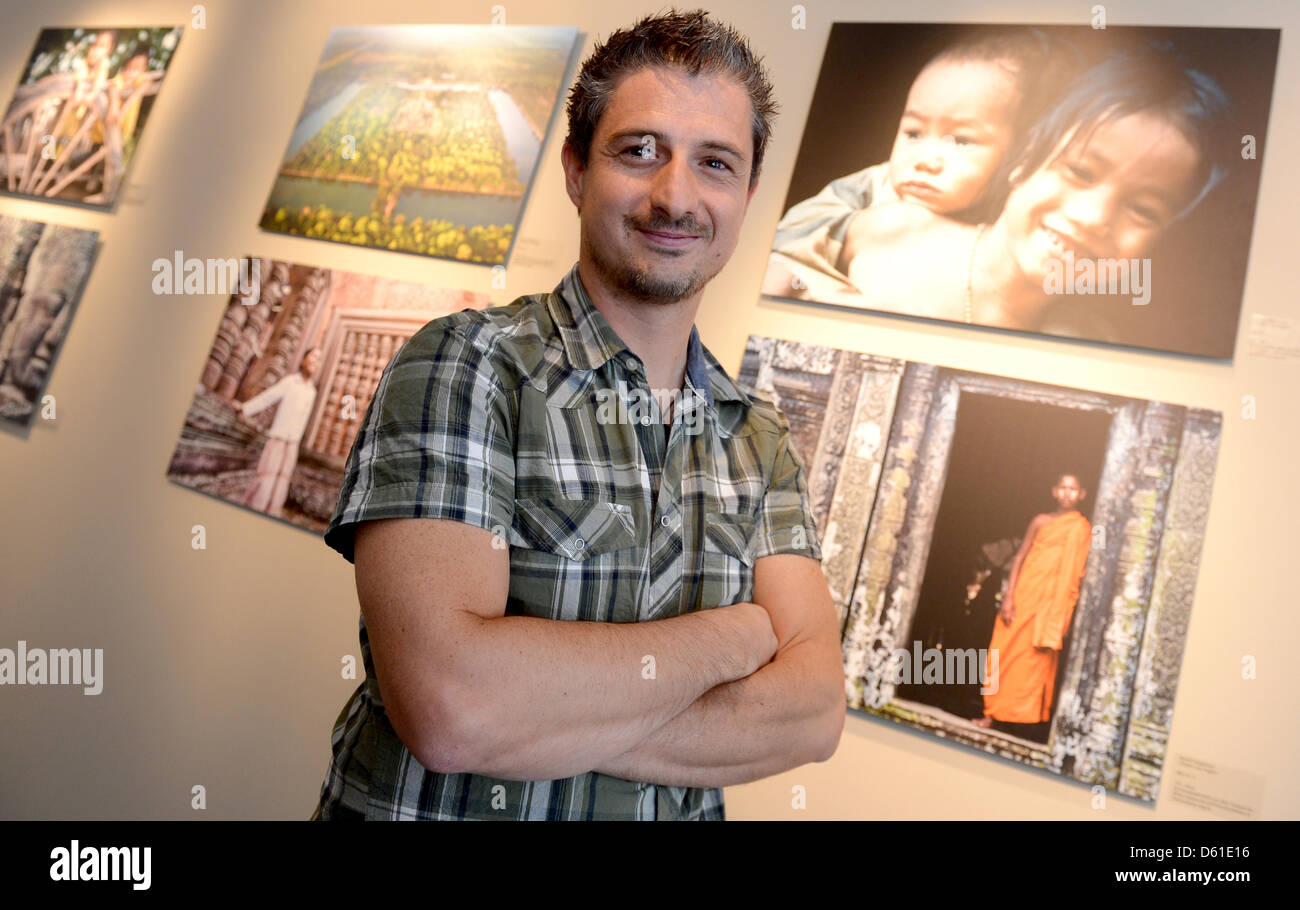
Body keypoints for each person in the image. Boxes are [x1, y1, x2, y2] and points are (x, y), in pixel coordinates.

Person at [311, 10, 845, 821]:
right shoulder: (467, 366)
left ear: (746, 195)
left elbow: (813, 714)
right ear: (573, 169)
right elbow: (455, 709)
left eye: (715, 163)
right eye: (639, 151)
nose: (676, 196)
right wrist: (737, 639)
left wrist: (539, 715)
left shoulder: (758, 438)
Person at [836, 43, 1235, 333]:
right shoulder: (891, 231)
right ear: (1025, 159)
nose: (1092, 217)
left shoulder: (1089, 344)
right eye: (1080, 172)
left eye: (1143, 210)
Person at [763, 28, 1078, 302]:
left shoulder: (1010, 221)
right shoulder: (876, 184)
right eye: (913, 133)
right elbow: (796, 229)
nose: (925, 161)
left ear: (1021, 157)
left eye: (961, 141)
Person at [975, 475, 1091, 735]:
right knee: (1002, 653)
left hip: (1050, 607)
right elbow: (1019, 558)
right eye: (1062, 488)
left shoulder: (1082, 528)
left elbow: (1079, 571)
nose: (1067, 493)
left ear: (1082, 494)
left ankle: (1023, 722)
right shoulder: (1041, 521)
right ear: (1054, 491)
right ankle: (991, 713)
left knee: (1035, 661)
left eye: (1073, 489)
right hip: (1024, 596)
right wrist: (1008, 596)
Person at [238, 347, 322, 518]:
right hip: (278, 437)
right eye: (313, 357)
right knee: (267, 474)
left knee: (282, 478)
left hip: (293, 443)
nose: (315, 362)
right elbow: (268, 397)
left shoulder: (311, 392)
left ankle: (271, 513)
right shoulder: (290, 382)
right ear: (303, 360)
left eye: (319, 359)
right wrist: (245, 408)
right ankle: (255, 509)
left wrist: (297, 441)